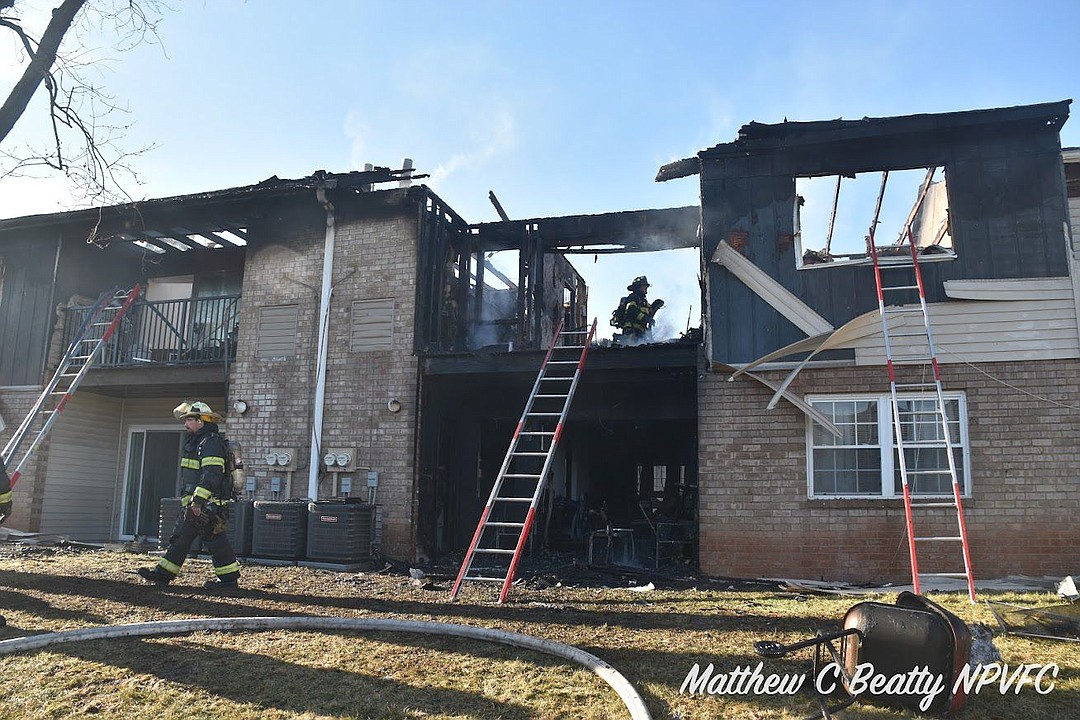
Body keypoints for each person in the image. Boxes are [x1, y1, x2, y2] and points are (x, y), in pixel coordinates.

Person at [139, 401, 240, 590]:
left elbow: (212, 474)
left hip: (208, 505)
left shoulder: (211, 443)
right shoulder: (198, 442)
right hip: (198, 504)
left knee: (213, 541)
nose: (185, 424)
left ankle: (228, 582)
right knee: (184, 538)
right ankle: (163, 575)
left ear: (201, 421)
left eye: (189, 420)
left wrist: (198, 500)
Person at [615, 276, 664, 342]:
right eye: (644, 286)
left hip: (641, 334)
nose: (646, 288)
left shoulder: (643, 302)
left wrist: (655, 306)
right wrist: (646, 318)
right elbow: (631, 311)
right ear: (638, 287)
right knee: (631, 350)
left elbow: (648, 313)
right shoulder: (633, 297)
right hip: (631, 332)